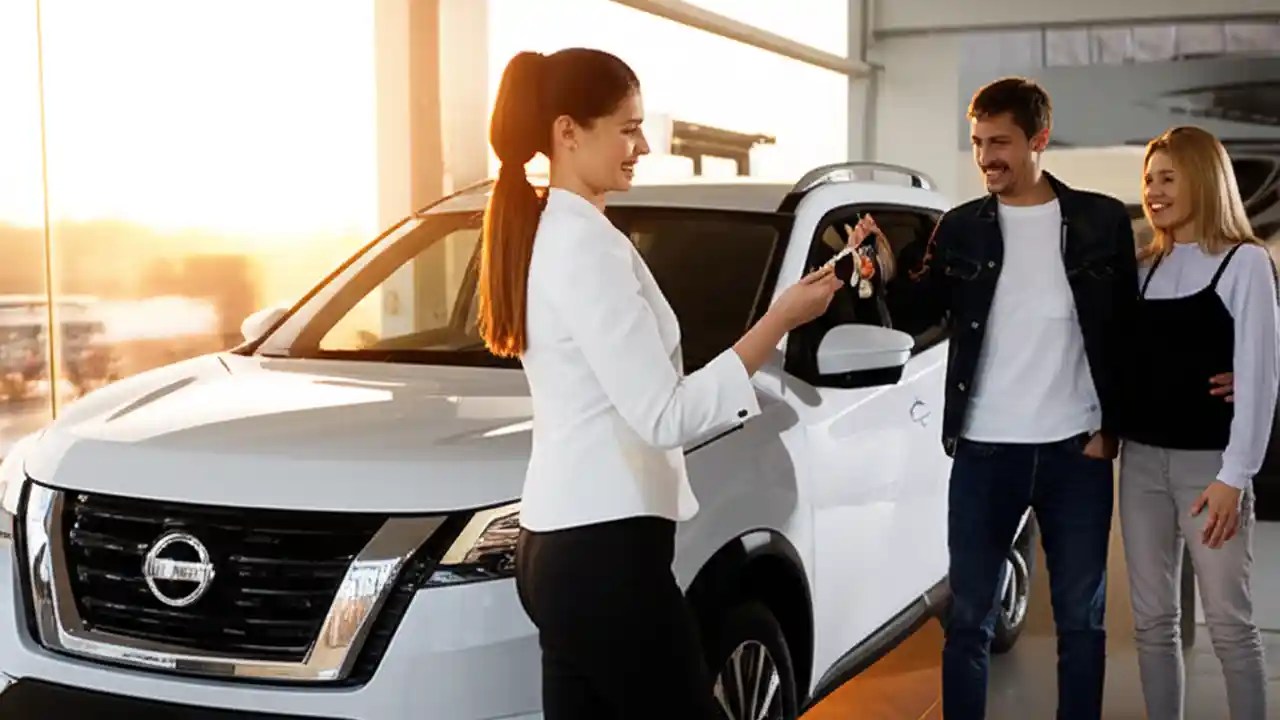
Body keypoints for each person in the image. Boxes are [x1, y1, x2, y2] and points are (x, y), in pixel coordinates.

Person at [476, 48, 841, 719]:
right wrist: (780, 320)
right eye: (628, 128)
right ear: (567, 132)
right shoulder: (586, 246)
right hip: (605, 556)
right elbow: (664, 415)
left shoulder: (552, 233)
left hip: (560, 546)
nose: (642, 146)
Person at [854, 76, 1139, 719]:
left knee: (1081, 622)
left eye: (1000, 142)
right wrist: (884, 272)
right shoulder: (961, 229)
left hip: (1076, 452)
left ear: (1039, 139)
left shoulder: (1098, 222)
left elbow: (1128, 328)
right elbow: (921, 311)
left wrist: (1112, 429)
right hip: (984, 451)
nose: (986, 157)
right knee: (968, 622)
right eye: (979, 142)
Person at [1119, 126, 1279, 720]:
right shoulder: (1144, 267)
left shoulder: (1245, 262)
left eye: (1168, 178)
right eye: (1148, 179)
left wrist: (1234, 477)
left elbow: (1260, 376)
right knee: (1153, 623)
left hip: (1211, 470)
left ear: (1205, 181)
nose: (1153, 191)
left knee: (1231, 626)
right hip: (1140, 466)